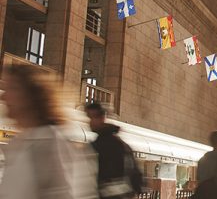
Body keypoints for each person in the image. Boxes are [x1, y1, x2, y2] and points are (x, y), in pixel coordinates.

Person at [0, 65, 97, 199]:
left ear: (31, 96)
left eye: (12, 88)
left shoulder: (52, 143)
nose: (4, 96)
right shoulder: (21, 142)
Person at [85, 103, 143, 199]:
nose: (89, 122)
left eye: (92, 117)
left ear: (102, 118)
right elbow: (137, 178)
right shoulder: (123, 145)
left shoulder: (100, 146)